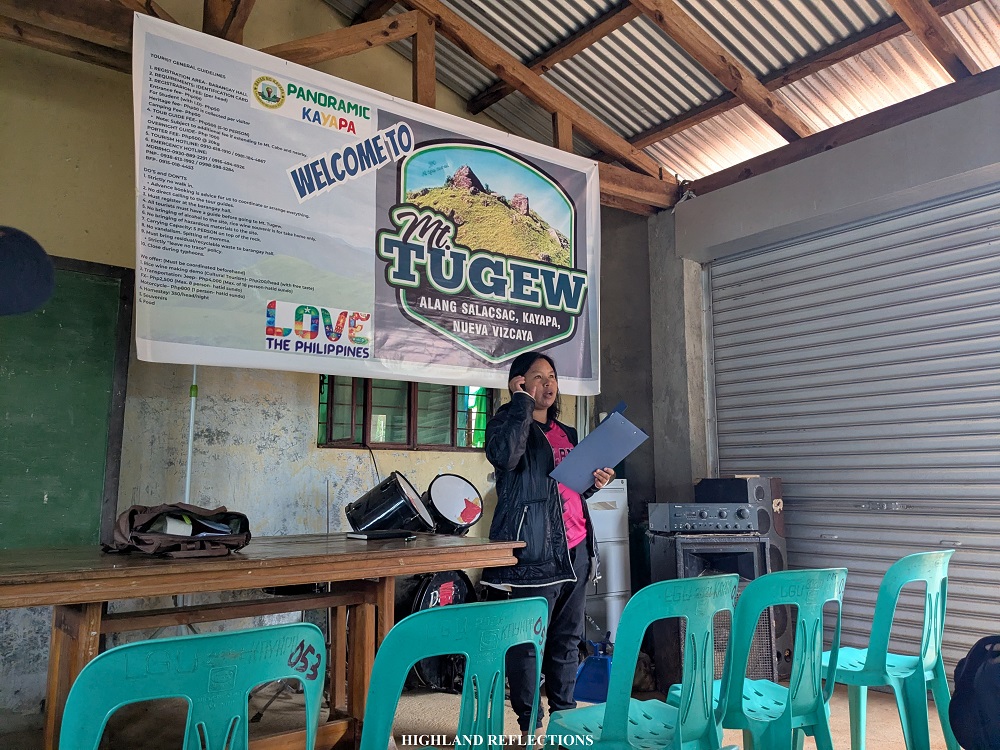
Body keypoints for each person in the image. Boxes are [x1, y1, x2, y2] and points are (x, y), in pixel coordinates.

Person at [481, 350, 615, 736]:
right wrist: (520, 404)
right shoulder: (504, 424)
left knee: (567, 639)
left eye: (552, 377)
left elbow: (567, 490)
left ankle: (564, 716)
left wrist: (594, 482)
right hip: (534, 547)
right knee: (528, 641)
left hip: (576, 546)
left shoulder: (567, 433)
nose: (548, 384)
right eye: (537, 378)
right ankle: (529, 723)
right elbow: (506, 459)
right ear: (519, 383)